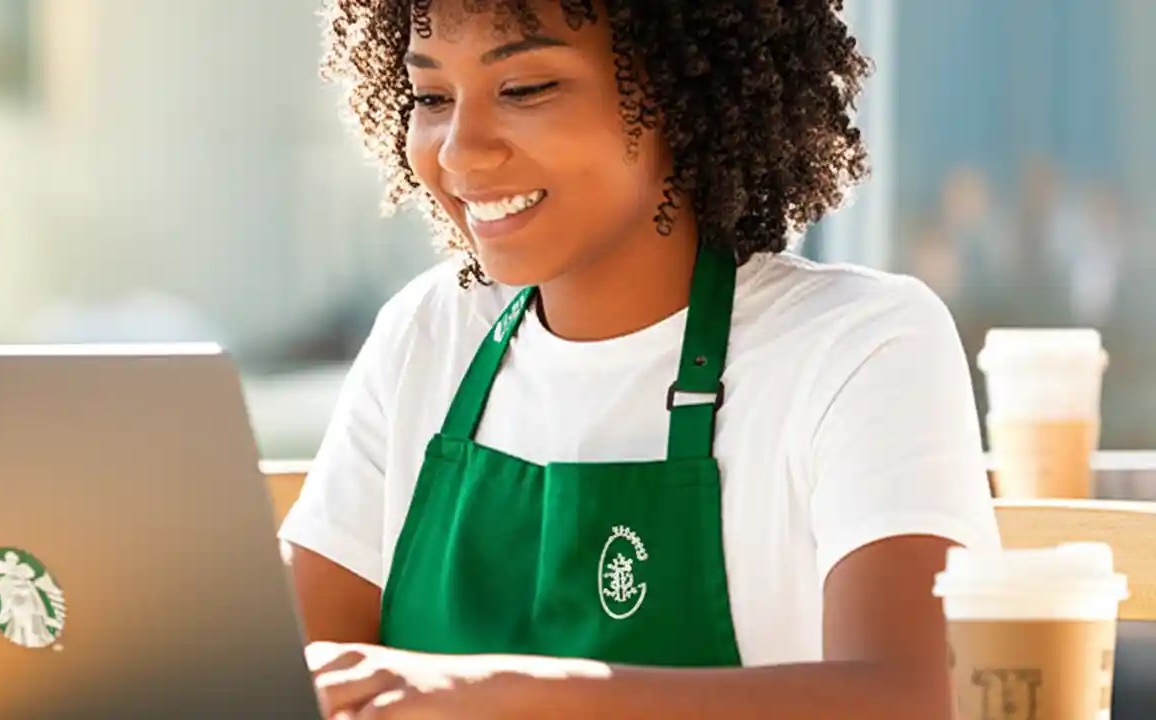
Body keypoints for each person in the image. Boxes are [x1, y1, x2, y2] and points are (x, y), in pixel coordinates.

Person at [279, 1, 1000, 717]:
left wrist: (502, 694)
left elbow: (910, 700)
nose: (459, 151)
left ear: (684, 88)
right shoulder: (426, 334)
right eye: (432, 97)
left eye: (525, 89)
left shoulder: (858, 346)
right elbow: (271, 674)